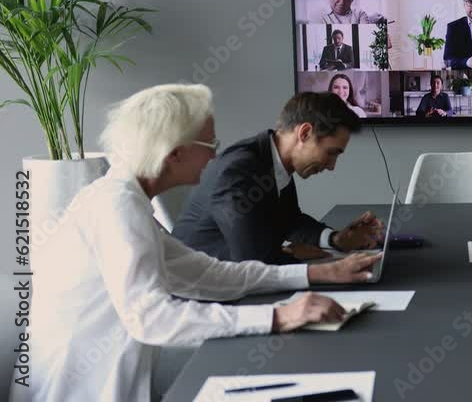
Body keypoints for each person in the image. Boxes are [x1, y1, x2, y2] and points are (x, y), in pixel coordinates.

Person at [23, 85, 381, 402]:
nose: (214, 156)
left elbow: (208, 273)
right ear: (174, 152)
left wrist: (319, 274)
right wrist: (280, 315)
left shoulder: (123, 200)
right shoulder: (118, 207)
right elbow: (151, 318)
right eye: (210, 144)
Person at [172, 92, 384, 264]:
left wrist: (336, 240)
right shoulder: (239, 170)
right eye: (331, 153)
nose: (331, 166)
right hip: (203, 292)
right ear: (305, 133)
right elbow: (253, 261)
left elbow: (290, 220)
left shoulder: (272, 160)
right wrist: (313, 263)